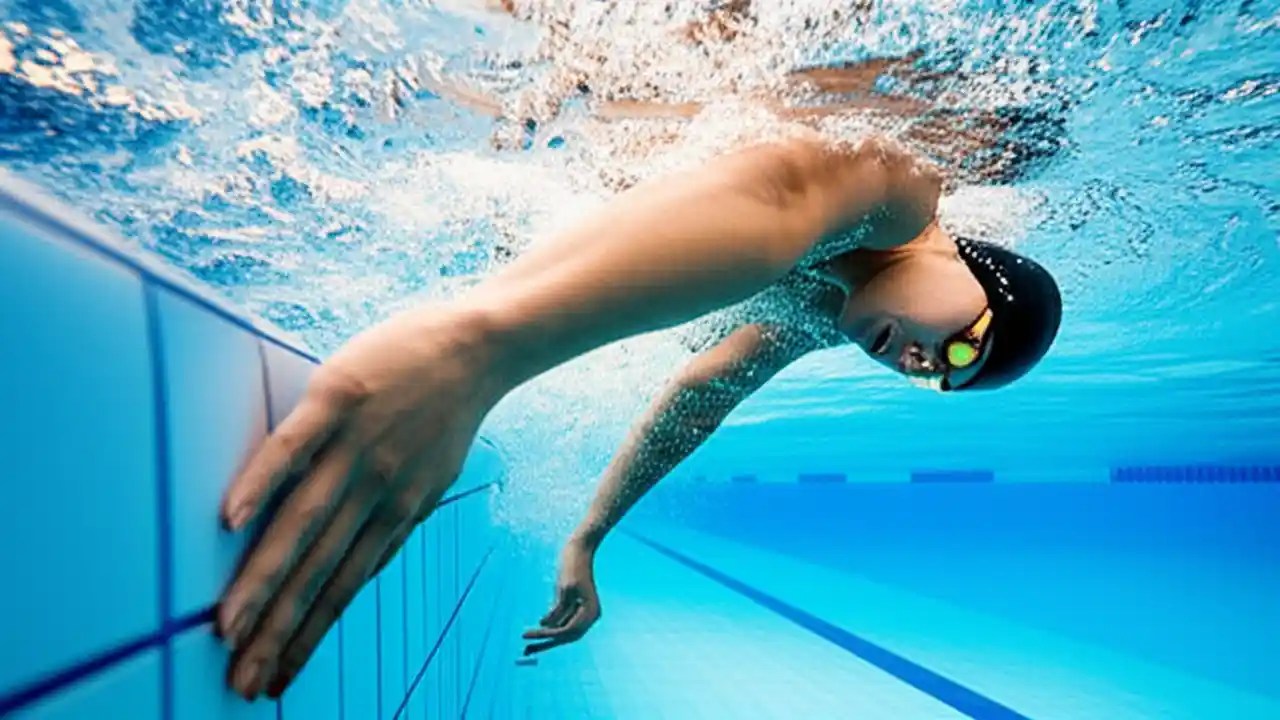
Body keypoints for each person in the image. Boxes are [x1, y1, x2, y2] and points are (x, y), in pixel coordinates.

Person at [211, 9, 1064, 702]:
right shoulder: (905, 194)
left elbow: (698, 394)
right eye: (965, 343)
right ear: (980, 270)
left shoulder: (818, 308)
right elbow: (783, 193)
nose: (925, 365)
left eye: (943, 382)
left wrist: (587, 537)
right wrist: (474, 348)